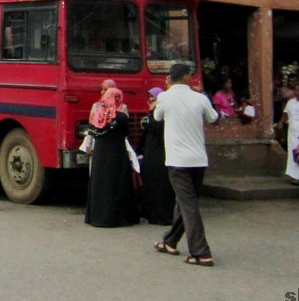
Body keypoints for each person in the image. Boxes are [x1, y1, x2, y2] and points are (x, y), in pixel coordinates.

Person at [152, 63, 219, 267]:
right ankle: (170, 241)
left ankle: (200, 252)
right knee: (186, 201)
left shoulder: (164, 97)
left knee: (187, 203)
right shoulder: (200, 98)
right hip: (199, 159)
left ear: (171, 78)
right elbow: (214, 119)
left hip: (178, 160)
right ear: (187, 77)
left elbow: (157, 116)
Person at [84, 86, 138, 226]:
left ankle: (97, 217)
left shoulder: (98, 114)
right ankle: (117, 217)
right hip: (116, 153)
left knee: (100, 183)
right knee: (116, 184)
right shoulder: (121, 117)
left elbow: (92, 131)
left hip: (100, 154)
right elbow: (126, 133)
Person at [138, 87, 175, 226]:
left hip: (161, 153)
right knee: (151, 183)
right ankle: (151, 213)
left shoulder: (162, 115)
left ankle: (162, 215)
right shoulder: (154, 113)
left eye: (153, 99)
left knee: (161, 184)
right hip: (152, 153)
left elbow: (156, 129)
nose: (150, 101)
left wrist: (152, 112)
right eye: (149, 99)